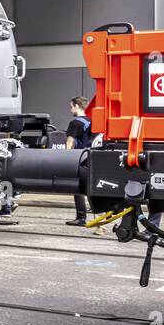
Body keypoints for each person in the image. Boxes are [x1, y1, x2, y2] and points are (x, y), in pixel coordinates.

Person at [65, 96, 93, 227]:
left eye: (71, 107)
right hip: (90, 157)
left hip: (77, 157)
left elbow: (70, 142)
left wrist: (66, 158)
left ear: (77, 106)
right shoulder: (90, 121)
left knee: (77, 187)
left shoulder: (75, 123)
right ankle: (98, 219)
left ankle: (81, 217)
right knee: (90, 187)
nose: (70, 110)